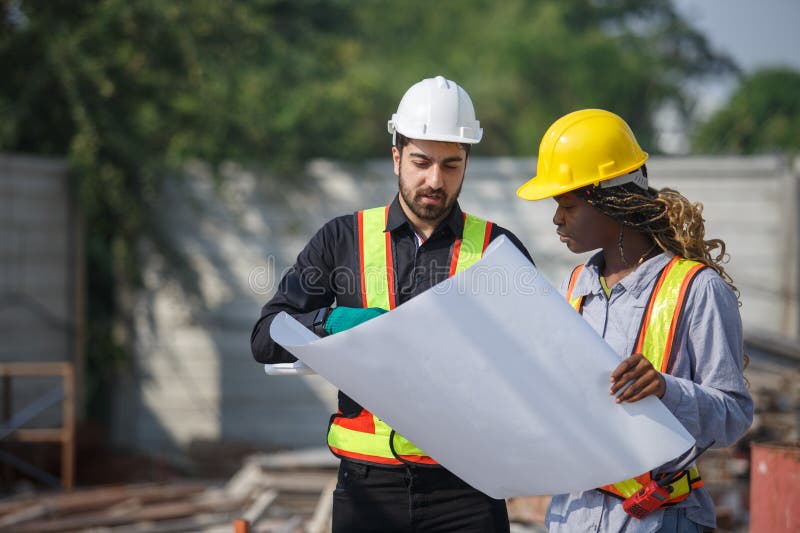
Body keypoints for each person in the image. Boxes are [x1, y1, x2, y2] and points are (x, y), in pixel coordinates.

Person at [251, 75, 532, 533]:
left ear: (466, 165)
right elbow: (266, 337)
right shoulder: (342, 239)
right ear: (396, 156)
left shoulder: (498, 250)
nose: (435, 180)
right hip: (367, 490)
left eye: (451, 165)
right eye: (421, 161)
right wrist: (329, 321)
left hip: (469, 490)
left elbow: (537, 364)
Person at [516, 109, 753, 532]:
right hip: (573, 516)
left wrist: (667, 389)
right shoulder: (572, 287)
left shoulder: (696, 290)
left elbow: (733, 416)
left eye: (568, 205)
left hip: (658, 519)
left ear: (612, 204)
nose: (556, 218)